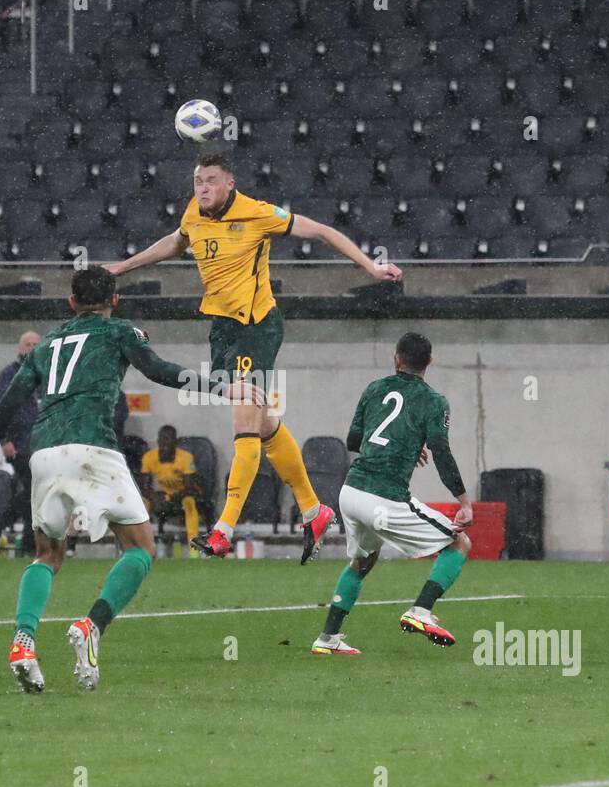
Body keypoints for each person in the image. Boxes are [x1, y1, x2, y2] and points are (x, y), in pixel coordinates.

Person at [0, 266, 256, 693]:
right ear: (115, 300)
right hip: (94, 449)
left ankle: (24, 640)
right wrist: (226, 389)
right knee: (141, 547)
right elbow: (161, 371)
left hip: (46, 454)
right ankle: (92, 626)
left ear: (71, 303)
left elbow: (4, 408)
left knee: (48, 555)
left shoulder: (47, 345)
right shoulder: (120, 332)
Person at [106, 150, 402, 563]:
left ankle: (224, 529)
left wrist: (370, 267)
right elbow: (177, 241)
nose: (202, 188)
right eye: (197, 181)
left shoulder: (258, 213)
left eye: (210, 180)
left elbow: (319, 231)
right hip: (222, 330)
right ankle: (314, 511)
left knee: (243, 420)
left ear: (230, 183)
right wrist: (125, 266)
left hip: (256, 325)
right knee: (263, 423)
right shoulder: (194, 212)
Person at [311, 332, 473, 656]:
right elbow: (441, 452)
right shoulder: (434, 401)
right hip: (384, 496)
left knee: (363, 560)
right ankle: (421, 611)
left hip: (351, 491)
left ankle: (327, 638)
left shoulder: (375, 389)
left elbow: (354, 440)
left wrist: (406, 446)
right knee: (459, 543)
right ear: (430, 362)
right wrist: (464, 501)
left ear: (396, 358)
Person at [0, 330, 40, 555]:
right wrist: (4, 439)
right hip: (19, 443)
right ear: (20, 349)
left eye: (37, 344)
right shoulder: (9, 374)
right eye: (28, 344)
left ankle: (26, 544)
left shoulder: (47, 373)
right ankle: (0, 522)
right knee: (33, 490)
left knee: (35, 493)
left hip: (43, 443)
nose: (33, 348)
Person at [140, 424, 203, 551]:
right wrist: (155, 497)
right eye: (163, 439)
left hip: (182, 494)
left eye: (169, 440)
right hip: (162, 493)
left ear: (175, 442)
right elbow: (144, 487)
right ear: (158, 441)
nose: (166, 443)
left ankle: (194, 549)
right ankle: (142, 546)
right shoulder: (149, 457)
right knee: (142, 503)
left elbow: (189, 488)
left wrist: (168, 498)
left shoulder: (186, 457)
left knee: (190, 503)